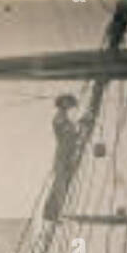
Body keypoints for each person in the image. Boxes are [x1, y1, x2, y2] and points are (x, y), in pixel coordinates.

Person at [44, 94, 80, 223]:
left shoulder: (65, 119)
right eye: (66, 103)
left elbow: (72, 134)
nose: (68, 105)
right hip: (63, 154)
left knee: (62, 183)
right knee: (60, 184)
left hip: (69, 154)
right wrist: (78, 129)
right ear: (61, 104)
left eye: (69, 103)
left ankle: (52, 212)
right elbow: (67, 133)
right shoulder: (59, 118)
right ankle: (54, 212)